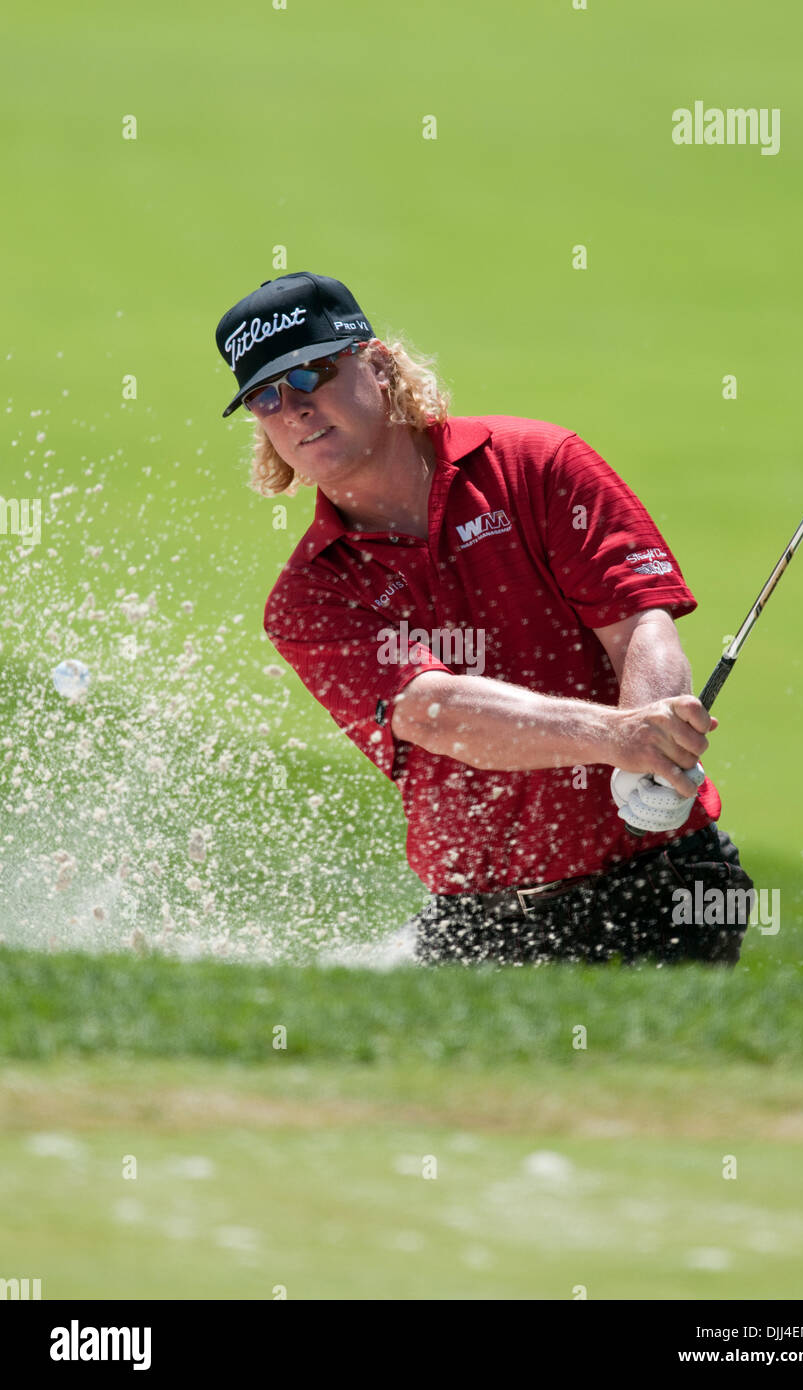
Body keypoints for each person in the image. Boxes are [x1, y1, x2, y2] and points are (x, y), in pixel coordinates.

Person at [215, 271, 755, 967]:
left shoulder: (537, 463)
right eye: (265, 396)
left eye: (312, 372)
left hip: (659, 886)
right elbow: (432, 712)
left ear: (378, 365)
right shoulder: (312, 595)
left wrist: (649, 748)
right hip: (480, 925)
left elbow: (639, 626)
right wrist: (614, 737)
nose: (293, 408)